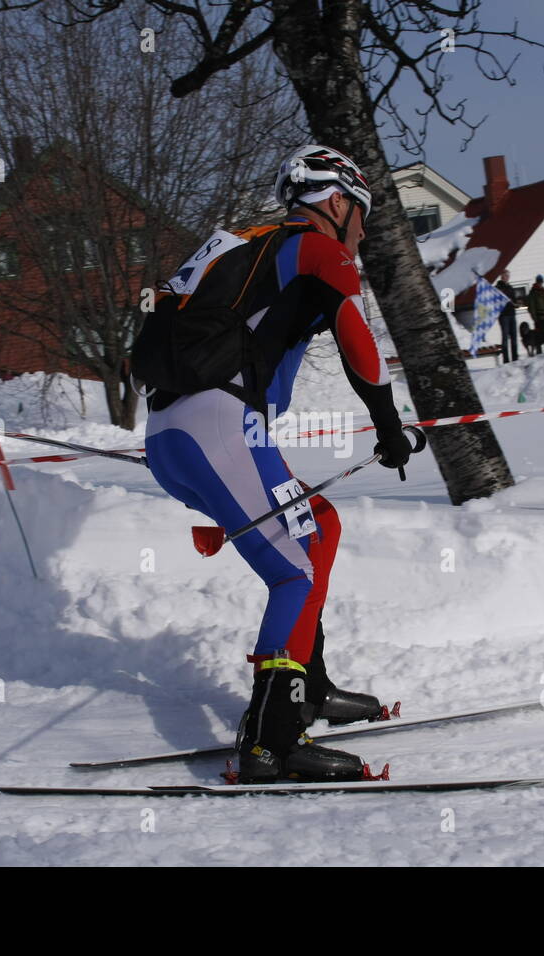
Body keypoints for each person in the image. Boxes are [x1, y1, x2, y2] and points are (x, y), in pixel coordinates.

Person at [143, 145, 412, 783]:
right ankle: (272, 741)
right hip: (219, 429)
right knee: (292, 570)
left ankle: (308, 687)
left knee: (317, 523)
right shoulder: (315, 248)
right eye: (362, 215)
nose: (363, 233)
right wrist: (388, 423)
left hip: (181, 432)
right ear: (338, 201)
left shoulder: (245, 246)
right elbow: (356, 333)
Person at [494, 271, 519, 363]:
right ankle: (506, 359)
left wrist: (516, 303)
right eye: (505, 276)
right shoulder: (498, 288)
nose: (507, 277)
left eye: (508, 276)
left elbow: (514, 299)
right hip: (503, 315)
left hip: (512, 314)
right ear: (502, 276)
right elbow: (496, 301)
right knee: (505, 337)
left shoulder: (510, 287)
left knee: (514, 337)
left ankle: (515, 358)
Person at [527, 275, 544, 353]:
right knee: (539, 337)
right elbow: (531, 307)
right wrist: (535, 319)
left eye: (541, 282)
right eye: (539, 281)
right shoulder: (533, 293)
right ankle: (539, 353)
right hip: (540, 319)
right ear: (537, 282)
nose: (540, 283)